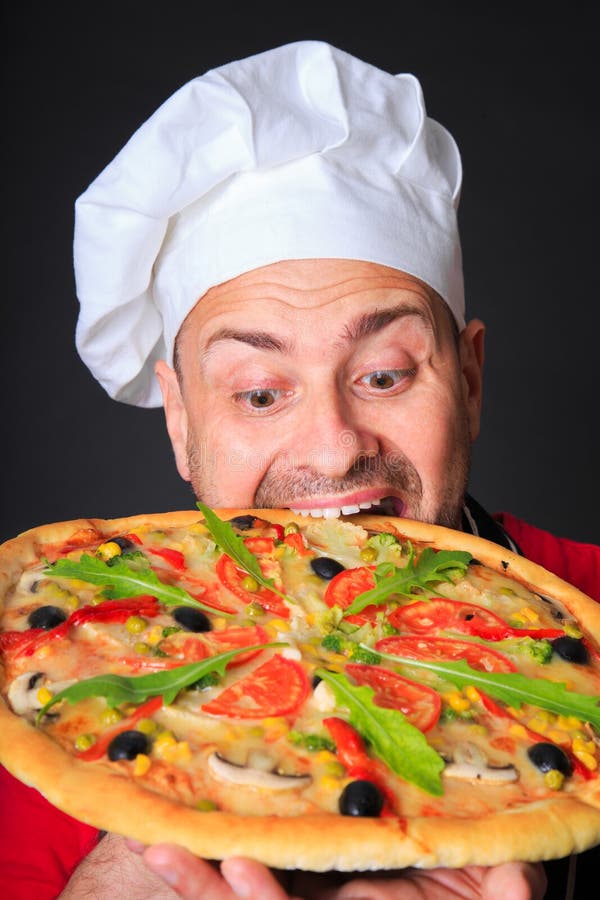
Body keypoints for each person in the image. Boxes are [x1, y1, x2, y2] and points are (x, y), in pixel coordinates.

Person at [2, 40, 597, 899]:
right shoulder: (36, 686)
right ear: (179, 419)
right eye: (258, 393)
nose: (333, 447)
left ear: (468, 382)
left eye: (384, 375)